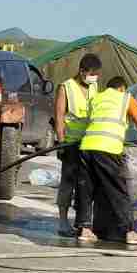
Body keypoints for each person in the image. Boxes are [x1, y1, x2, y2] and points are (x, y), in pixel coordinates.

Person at [80, 74, 135, 245]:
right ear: (121, 88)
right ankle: (129, 232)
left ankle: (85, 230)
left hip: (87, 146)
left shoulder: (96, 98)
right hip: (108, 148)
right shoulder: (125, 98)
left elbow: (92, 121)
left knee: (87, 190)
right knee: (119, 191)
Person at [53, 54, 102, 239]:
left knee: (86, 184)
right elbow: (59, 117)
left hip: (89, 142)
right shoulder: (65, 87)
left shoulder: (94, 87)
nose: (94, 78)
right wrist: (61, 142)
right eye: (91, 74)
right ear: (82, 71)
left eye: (96, 75)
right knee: (68, 181)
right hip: (71, 143)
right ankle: (63, 221)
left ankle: (83, 223)